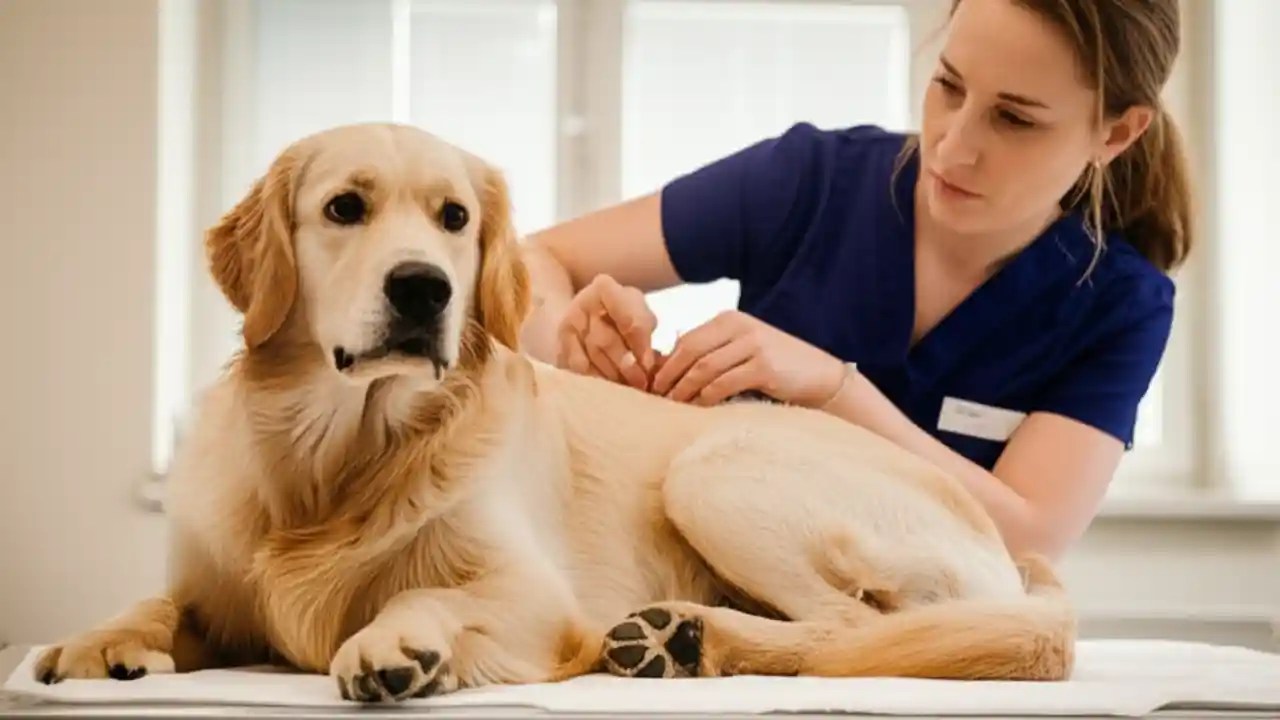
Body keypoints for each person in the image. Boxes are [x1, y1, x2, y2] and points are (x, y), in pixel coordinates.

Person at [517, 0, 1192, 562]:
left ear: (1118, 134)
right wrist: (570, 345)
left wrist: (831, 388)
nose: (952, 147)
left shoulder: (1120, 303)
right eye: (948, 85)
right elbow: (534, 261)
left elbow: (1028, 539)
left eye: (1014, 119)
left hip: (920, 638)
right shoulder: (809, 181)